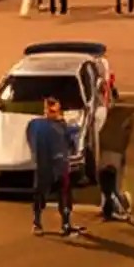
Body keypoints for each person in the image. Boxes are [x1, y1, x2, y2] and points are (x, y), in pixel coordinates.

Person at [26, 98, 82, 237]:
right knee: (41, 194)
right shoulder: (37, 124)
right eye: (50, 110)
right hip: (45, 165)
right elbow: (32, 141)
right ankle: (37, 222)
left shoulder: (61, 125)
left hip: (59, 165)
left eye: (55, 110)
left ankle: (65, 223)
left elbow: (71, 140)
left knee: (64, 194)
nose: (53, 113)